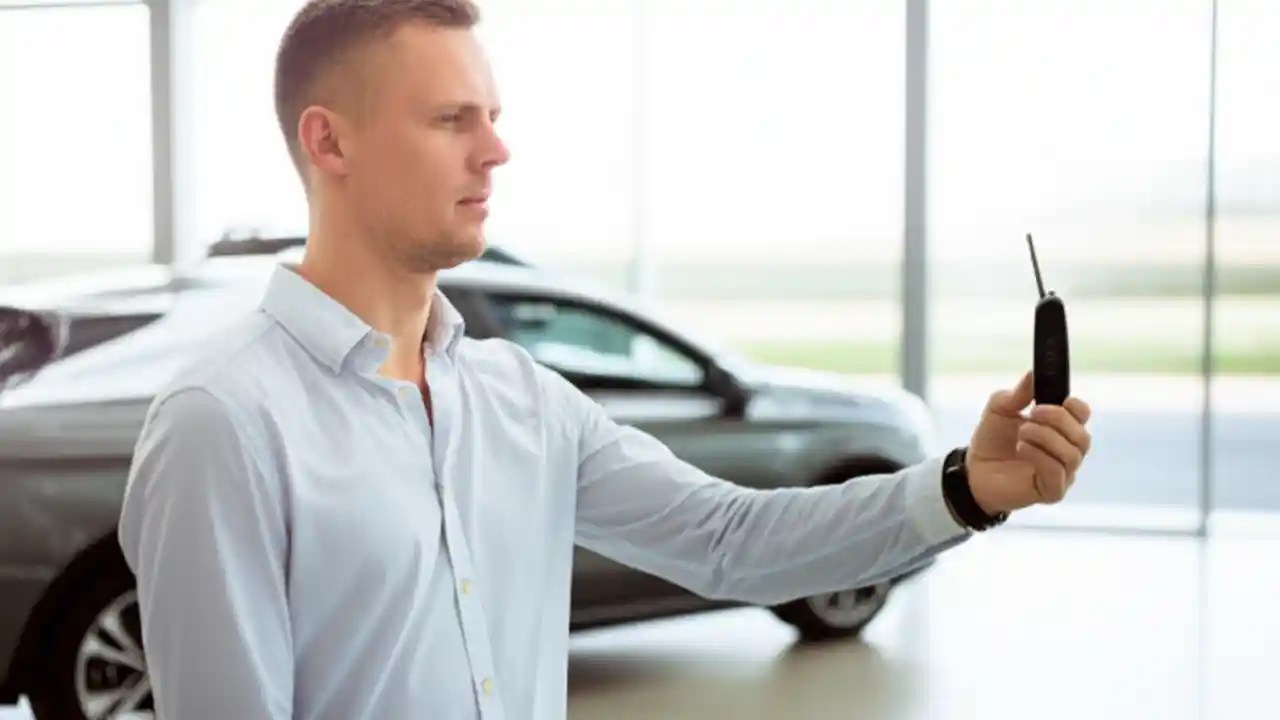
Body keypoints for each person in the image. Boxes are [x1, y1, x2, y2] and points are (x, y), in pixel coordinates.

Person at [116, 0, 1093, 718]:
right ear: (328, 143)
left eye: (493, 117)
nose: (494, 150)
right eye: (452, 119)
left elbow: (729, 543)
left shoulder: (519, 399)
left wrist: (966, 489)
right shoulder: (221, 424)